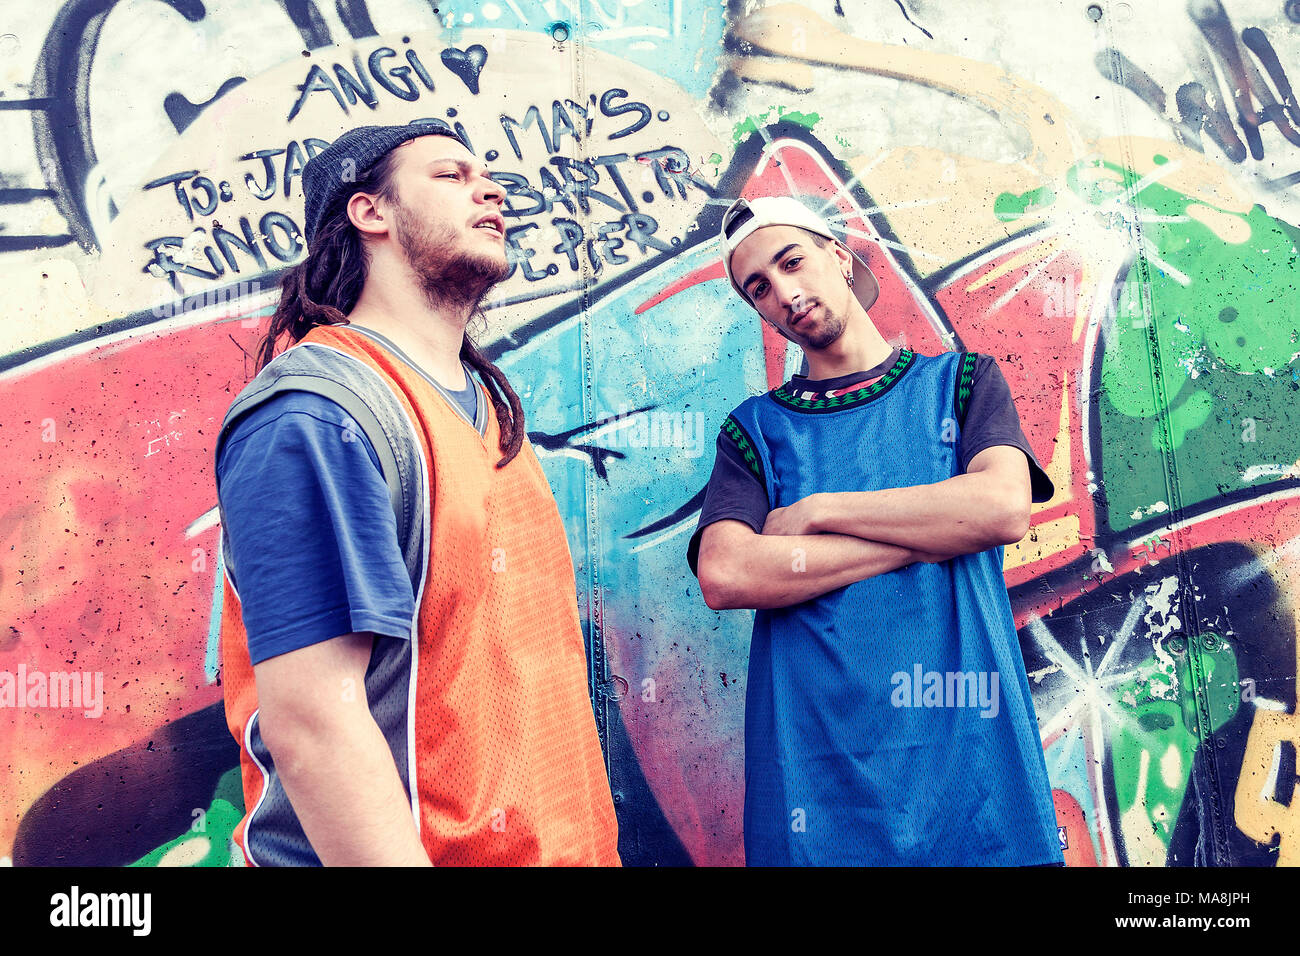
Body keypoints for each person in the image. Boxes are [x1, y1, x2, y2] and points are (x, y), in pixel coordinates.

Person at [213, 121, 620, 866]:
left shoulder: (488, 409)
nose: (491, 188)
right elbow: (314, 726)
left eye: (488, 176)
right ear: (370, 212)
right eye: (451, 175)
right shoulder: (319, 414)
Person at [687, 195, 1064, 866]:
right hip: (818, 789)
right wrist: (935, 529)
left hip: (975, 781)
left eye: (792, 261)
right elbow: (727, 572)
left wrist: (819, 511)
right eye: (760, 289)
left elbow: (1002, 509)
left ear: (837, 254)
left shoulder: (962, 383)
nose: (785, 293)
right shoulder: (755, 432)